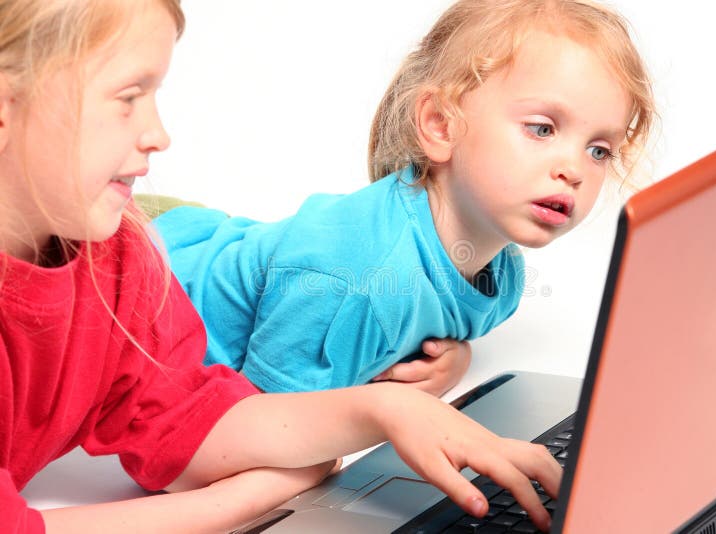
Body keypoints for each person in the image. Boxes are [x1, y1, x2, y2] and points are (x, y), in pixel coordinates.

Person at [0, 0, 564, 532]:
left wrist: (383, 410)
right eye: (128, 97)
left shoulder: (120, 262)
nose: (159, 134)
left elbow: (184, 420)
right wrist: (236, 503)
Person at [153, 0, 657, 396]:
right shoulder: (357, 280)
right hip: (150, 275)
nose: (573, 169)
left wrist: (454, 356)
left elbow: (423, 315)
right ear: (440, 125)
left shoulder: (501, 274)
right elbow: (261, 421)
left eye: (599, 150)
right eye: (542, 128)